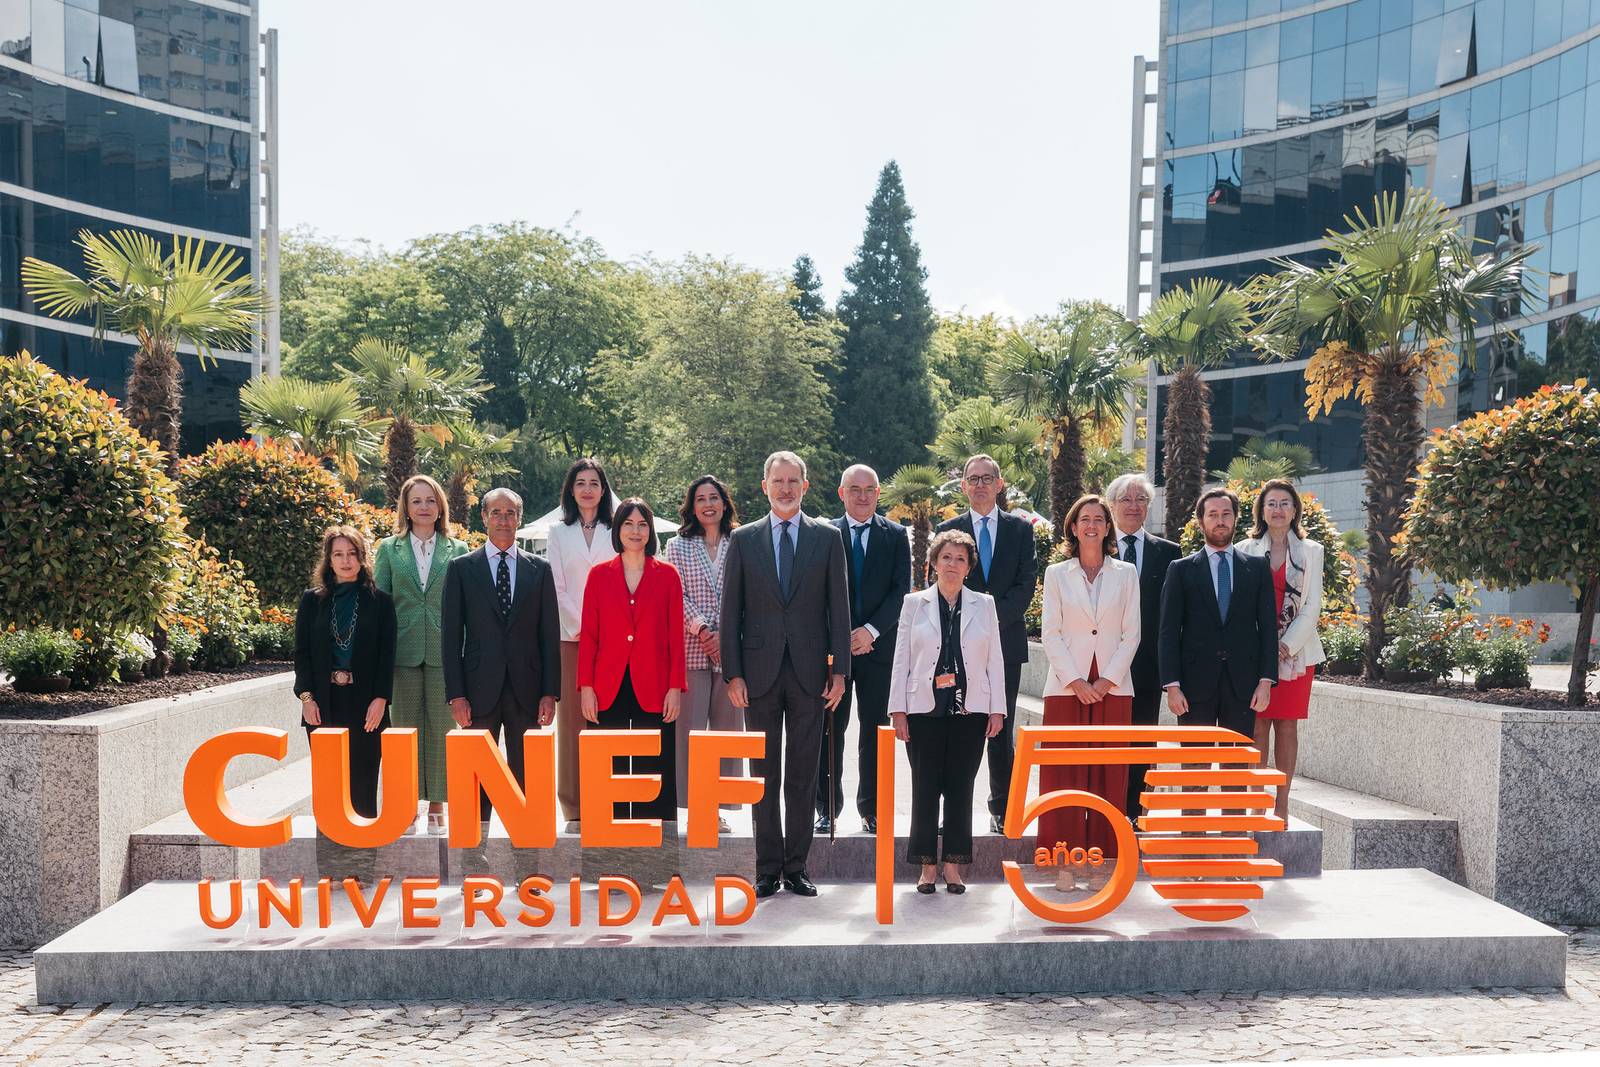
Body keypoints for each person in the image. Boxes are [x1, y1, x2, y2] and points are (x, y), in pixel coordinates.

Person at [721, 450, 851, 899]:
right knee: (763, 775)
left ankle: (796, 867)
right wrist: (733, 674)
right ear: (765, 486)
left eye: (794, 481)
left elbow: (839, 609)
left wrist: (841, 672)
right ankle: (766, 868)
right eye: (778, 481)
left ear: (805, 486)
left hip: (811, 675)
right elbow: (730, 611)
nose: (786, 489)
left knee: (802, 774)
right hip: (757, 675)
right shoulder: (744, 540)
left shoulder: (827, 538)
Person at [887, 530, 1006, 895]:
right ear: (934, 563)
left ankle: (953, 866)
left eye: (960, 559)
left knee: (960, 788)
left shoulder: (984, 604)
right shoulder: (914, 603)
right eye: (946, 557)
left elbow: (995, 659)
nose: (952, 564)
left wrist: (997, 709)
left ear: (969, 567)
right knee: (924, 788)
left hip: (971, 710)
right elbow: (902, 658)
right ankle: (926, 867)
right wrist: (898, 710)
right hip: (923, 710)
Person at [441, 488, 562, 828]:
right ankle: (475, 855)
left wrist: (550, 693)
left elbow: (549, 635)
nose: (504, 519)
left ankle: (528, 854)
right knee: (478, 778)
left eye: (510, 513)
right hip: (477, 691)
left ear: (519, 519)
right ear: (484, 517)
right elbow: (450, 638)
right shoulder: (462, 569)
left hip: (527, 690)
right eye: (496, 512)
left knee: (527, 778)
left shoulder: (540, 569)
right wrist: (456, 695)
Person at [1039, 495, 1141, 890]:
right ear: (1073, 526)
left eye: (1099, 519)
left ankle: (1102, 863)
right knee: (1063, 775)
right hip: (1067, 687)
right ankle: (1064, 862)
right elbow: (1051, 633)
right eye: (1085, 519)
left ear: (1108, 527)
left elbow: (1132, 634)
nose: (1092, 525)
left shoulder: (1126, 573)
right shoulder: (1056, 574)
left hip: (1113, 687)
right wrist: (1077, 681)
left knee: (1108, 775)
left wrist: (1106, 681)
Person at [936, 454, 1038, 834]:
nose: (980, 485)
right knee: (955, 730)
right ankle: (953, 811)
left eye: (986, 478)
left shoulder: (1020, 529)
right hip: (957, 646)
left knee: (1000, 729)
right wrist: (971, 625)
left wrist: (988, 620)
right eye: (973, 479)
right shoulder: (948, 529)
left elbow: (1026, 584)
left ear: (999, 484)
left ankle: (1002, 808)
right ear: (964, 486)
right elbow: (942, 584)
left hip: (1006, 644)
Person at [294, 525, 397, 884]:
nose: (346, 561)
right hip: (323, 704)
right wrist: (306, 698)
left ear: (362, 557)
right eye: (338, 554)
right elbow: (302, 654)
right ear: (329, 560)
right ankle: (331, 870)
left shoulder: (380, 602)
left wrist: (381, 699)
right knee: (329, 791)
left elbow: (387, 656)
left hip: (366, 705)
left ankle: (362, 870)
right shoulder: (312, 601)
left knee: (363, 785)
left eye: (352, 554)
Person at [578, 498, 687, 824]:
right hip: (606, 686)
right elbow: (589, 636)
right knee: (606, 770)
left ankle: (655, 848)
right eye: (628, 524)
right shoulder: (599, 575)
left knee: (653, 768)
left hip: (655, 686)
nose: (635, 531)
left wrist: (675, 688)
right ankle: (606, 846)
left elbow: (675, 637)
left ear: (650, 531)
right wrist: (586, 687)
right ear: (618, 529)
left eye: (642, 525)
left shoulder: (668, 575)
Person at [372, 474, 468, 835]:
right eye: (417, 501)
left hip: (445, 654)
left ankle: (438, 806)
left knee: (443, 731)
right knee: (404, 731)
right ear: (406, 508)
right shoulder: (388, 549)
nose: (424, 507)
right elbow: (380, 604)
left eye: (430, 500)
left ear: (440, 506)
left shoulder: (458, 549)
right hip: (402, 654)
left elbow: (465, 607)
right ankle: (406, 805)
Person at [818, 463, 910, 835]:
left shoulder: (896, 535)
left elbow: (901, 590)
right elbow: (817, 594)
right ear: (842, 493)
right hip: (832, 653)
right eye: (854, 489)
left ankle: (872, 809)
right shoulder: (825, 535)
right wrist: (842, 637)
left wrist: (870, 631)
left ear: (878, 493)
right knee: (829, 730)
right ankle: (826, 809)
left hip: (879, 650)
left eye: (869, 489)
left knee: (875, 732)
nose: (862, 496)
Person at [1236, 478, 1326, 824]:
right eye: (1271, 503)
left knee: (1287, 726)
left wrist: (1285, 645)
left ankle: (1282, 804)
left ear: (1295, 510)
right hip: (1255, 650)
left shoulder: (1312, 551)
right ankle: (1257, 803)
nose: (1278, 509)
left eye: (1285, 503)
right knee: (1258, 725)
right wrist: (1264, 647)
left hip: (1296, 653)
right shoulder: (1244, 548)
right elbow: (1240, 605)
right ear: (1261, 511)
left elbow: (1313, 605)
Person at [1158, 488, 1277, 738]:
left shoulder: (1257, 568)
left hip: (1243, 685)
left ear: (1235, 518)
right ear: (1201, 521)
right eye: (1212, 514)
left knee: (1236, 758)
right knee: (1195, 758)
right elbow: (1168, 632)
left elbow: (1268, 629)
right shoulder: (1180, 570)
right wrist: (1172, 687)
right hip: (1193, 686)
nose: (1220, 521)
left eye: (1226, 514)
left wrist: (1266, 682)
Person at [661, 476, 742, 827]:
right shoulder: (677, 546)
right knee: (690, 732)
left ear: (724, 503)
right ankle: (695, 807)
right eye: (700, 499)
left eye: (714, 498)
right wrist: (704, 629)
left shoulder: (742, 541)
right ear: (691, 507)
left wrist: (726, 635)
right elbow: (674, 594)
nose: (708, 505)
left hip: (731, 652)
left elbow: (749, 593)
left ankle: (718, 808)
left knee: (726, 732)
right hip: (691, 648)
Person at [544, 458, 618, 834]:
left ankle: (608, 800)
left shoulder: (617, 529)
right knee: (573, 721)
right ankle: (574, 807)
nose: (587, 489)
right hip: (570, 638)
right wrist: (584, 628)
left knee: (608, 719)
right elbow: (555, 587)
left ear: (603, 490)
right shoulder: (558, 533)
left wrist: (606, 630)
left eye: (594, 483)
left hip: (615, 639)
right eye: (580, 483)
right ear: (571, 491)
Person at [1104, 472, 1181, 819]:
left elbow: (1173, 617)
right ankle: (1103, 811)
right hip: (1103, 665)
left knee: (1141, 739)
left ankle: (1134, 814)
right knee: (1105, 742)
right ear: (1111, 505)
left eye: (1141, 500)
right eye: (1126, 499)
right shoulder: (1097, 547)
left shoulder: (1169, 553)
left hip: (1148, 666)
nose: (1133, 506)